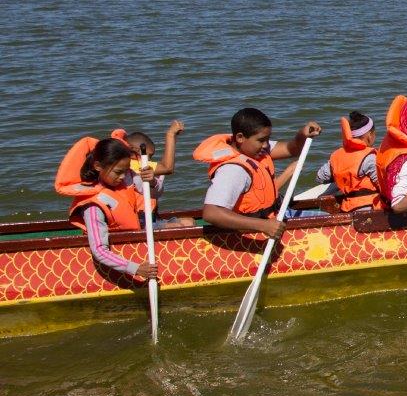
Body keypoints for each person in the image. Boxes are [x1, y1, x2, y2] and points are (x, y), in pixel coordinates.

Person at [194, 107, 322, 238]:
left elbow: (291, 149)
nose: (266, 145)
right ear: (240, 137)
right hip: (257, 230)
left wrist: (302, 134)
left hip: (277, 215)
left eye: (268, 139)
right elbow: (211, 213)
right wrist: (263, 226)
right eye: (261, 140)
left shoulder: (255, 148)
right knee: (327, 223)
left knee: (327, 217)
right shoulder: (233, 170)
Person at [58, 136, 167, 280]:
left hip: (134, 233)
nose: (122, 177)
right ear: (98, 166)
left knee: (187, 222)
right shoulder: (93, 205)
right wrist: (136, 269)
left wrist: (152, 182)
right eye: (118, 172)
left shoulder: (127, 176)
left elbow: (155, 193)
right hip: (120, 254)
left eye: (126, 170)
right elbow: (99, 251)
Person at [315, 111, 379, 212]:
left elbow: (320, 177)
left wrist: (342, 177)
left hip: (347, 208)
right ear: (370, 135)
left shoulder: (336, 155)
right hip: (371, 208)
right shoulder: (370, 158)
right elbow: (382, 185)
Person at [124, 120, 184, 206]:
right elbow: (167, 168)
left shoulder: (128, 164)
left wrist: (174, 137)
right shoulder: (130, 164)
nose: (149, 160)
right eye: (147, 156)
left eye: (151, 157)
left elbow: (164, 167)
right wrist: (170, 134)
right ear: (134, 151)